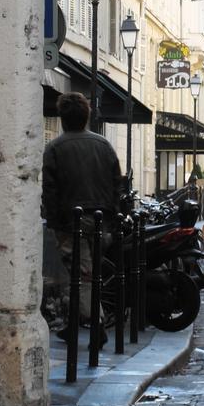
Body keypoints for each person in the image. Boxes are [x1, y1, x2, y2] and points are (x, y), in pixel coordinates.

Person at [41, 92, 125, 296]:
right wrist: (114, 217)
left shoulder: (54, 148)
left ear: (62, 118)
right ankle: (84, 319)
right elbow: (117, 184)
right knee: (91, 273)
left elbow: (50, 191)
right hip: (102, 221)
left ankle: (97, 321)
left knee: (82, 276)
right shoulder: (104, 145)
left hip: (71, 223)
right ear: (87, 116)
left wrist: (53, 222)